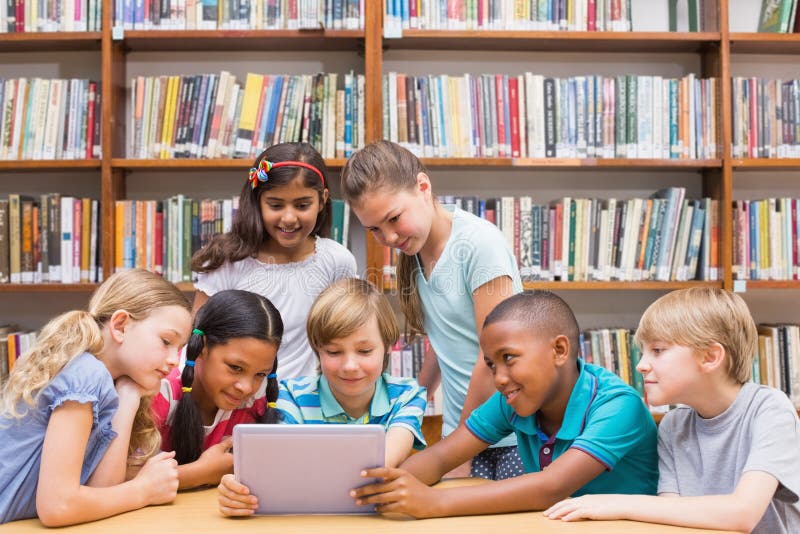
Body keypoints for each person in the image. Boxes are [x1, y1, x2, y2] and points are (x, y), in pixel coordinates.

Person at [350, 291, 658, 518]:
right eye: (491, 365)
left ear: (560, 350)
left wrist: (434, 503)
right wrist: (379, 486)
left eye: (508, 358)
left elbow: (550, 487)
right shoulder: (512, 401)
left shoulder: (618, 405)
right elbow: (442, 457)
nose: (498, 378)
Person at [544, 287, 800, 533]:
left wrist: (616, 504)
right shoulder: (672, 425)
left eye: (657, 350)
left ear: (710, 357)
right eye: (643, 352)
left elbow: (743, 513)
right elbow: (669, 514)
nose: (641, 365)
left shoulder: (770, 410)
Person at [341, 140, 523, 480]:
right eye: (374, 229)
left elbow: (494, 356)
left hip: (510, 436)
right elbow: (445, 342)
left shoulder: (480, 246)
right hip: (466, 434)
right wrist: (410, 402)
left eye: (394, 219)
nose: (389, 237)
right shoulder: (415, 254)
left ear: (423, 187)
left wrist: (459, 452)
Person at [216, 278, 427, 517]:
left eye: (364, 351)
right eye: (334, 352)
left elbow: (384, 464)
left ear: (388, 345)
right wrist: (238, 489)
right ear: (317, 350)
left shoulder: (408, 395)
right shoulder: (290, 395)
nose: (349, 365)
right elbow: (280, 468)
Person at [0, 269, 192, 526]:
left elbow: (102, 490)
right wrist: (143, 491)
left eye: (179, 349)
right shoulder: (87, 373)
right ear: (120, 325)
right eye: (166, 341)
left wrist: (129, 397)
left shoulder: (107, 382)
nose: (173, 360)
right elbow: (58, 506)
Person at [192, 142, 357, 379]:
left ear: (322, 201)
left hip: (308, 403)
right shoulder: (227, 260)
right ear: (258, 201)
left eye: (302, 205)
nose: (289, 218)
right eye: (276, 205)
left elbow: (348, 335)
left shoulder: (337, 261)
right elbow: (197, 338)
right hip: (238, 399)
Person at [151, 289, 283, 489]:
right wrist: (202, 473)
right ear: (202, 348)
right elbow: (127, 480)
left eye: (260, 374)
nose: (246, 387)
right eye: (235, 368)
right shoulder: (158, 389)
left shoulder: (257, 401)